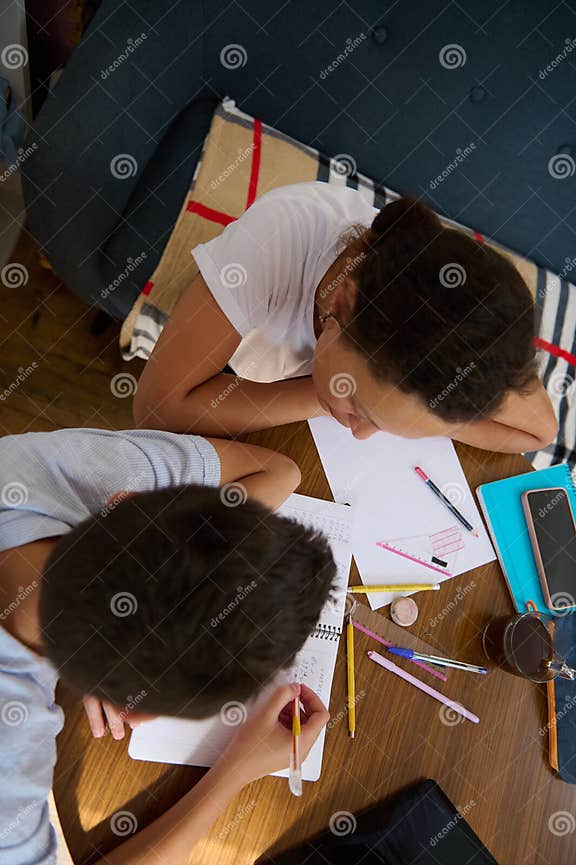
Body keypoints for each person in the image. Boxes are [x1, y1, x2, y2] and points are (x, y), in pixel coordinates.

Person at [0, 428, 333, 864]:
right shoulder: (11, 761)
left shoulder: (59, 469)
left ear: (123, 500)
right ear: (132, 708)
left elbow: (279, 472)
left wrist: (103, 630)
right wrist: (234, 774)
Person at [133, 184, 557, 453]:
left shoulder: (463, 334)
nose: (358, 434)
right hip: (235, 359)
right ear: (341, 303)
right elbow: (155, 410)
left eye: (379, 424)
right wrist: (323, 400)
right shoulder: (274, 243)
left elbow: (538, 433)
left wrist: (421, 414)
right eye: (359, 408)